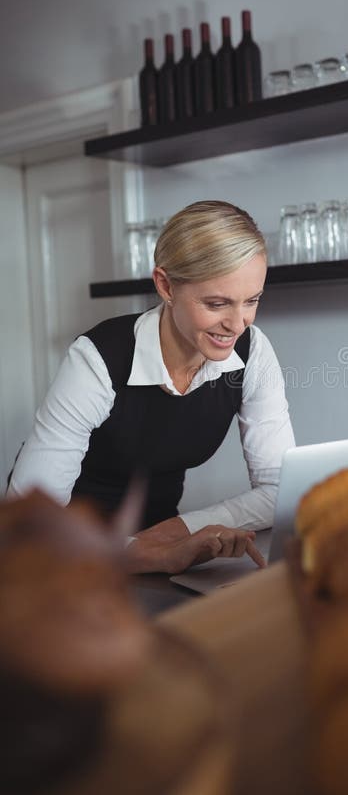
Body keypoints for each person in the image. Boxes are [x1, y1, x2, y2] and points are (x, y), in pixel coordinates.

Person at [8, 200, 295, 574]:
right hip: (63, 560)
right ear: (165, 285)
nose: (237, 324)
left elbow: (281, 490)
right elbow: (31, 524)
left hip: (166, 547)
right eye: (216, 303)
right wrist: (146, 552)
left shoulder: (252, 351)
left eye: (251, 301)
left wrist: (178, 532)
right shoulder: (98, 359)